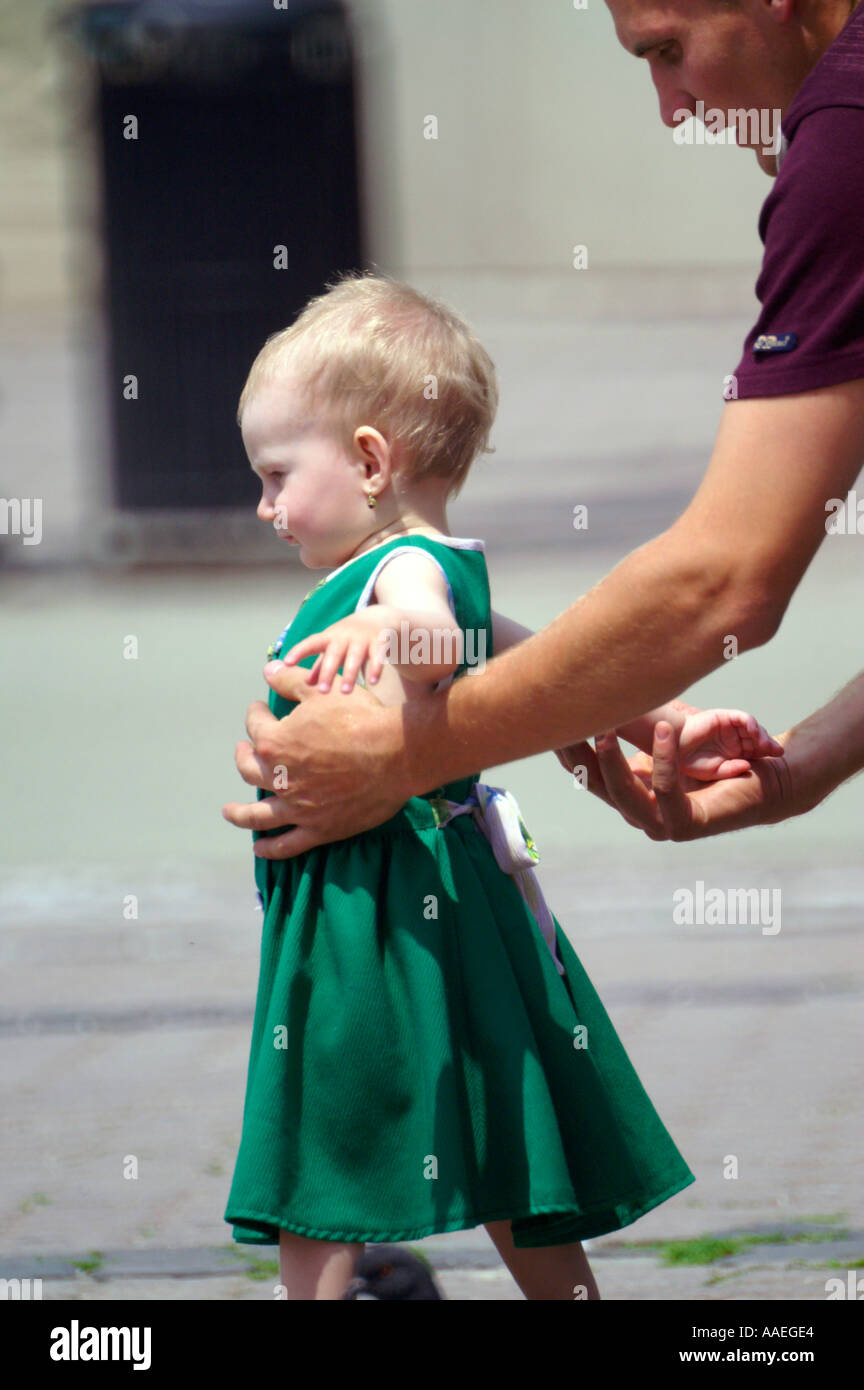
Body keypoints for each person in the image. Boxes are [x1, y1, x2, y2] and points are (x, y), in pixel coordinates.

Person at [221, 272, 782, 1300]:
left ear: (371, 461)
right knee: (498, 1111)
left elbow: (437, 642)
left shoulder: (403, 572)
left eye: (273, 475)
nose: (264, 507)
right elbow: (552, 667)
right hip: (443, 893)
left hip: (376, 909)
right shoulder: (421, 563)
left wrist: (390, 627)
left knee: (332, 1122)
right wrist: (660, 724)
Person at [222, 0, 864, 858]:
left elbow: (725, 579)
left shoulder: (845, 149)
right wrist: (802, 766)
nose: (671, 108)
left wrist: (402, 755)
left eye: (670, 50)